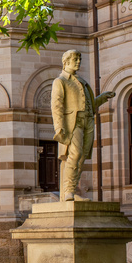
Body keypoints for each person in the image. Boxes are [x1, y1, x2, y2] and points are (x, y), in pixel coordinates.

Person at [50, 50, 115, 201]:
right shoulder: (60, 81)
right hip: (73, 123)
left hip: (88, 122)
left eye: (79, 59)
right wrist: (59, 127)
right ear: (65, 61)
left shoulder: (83, 82)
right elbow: (56, 105)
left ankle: (72, 191)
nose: (78, 62)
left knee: (82, 157)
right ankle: (68, 192)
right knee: (75, 154)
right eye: (75, 59)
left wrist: (103, 98)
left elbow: (91, 105)